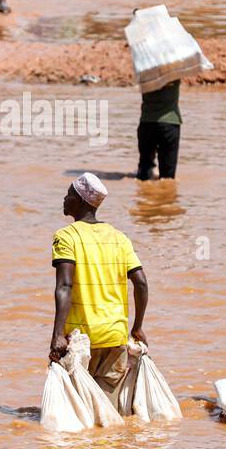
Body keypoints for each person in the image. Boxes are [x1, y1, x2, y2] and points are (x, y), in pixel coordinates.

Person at [49, 172, 148, 406]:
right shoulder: (119, 238)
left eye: (69, 194)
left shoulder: (66, 237)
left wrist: (57, 335)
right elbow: (141, 283)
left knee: (78, 412)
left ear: (81, 201)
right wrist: (137, 327)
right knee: (106, 411)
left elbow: (64, 286)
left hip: (81, 340)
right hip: (115, 336)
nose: (64, 198)